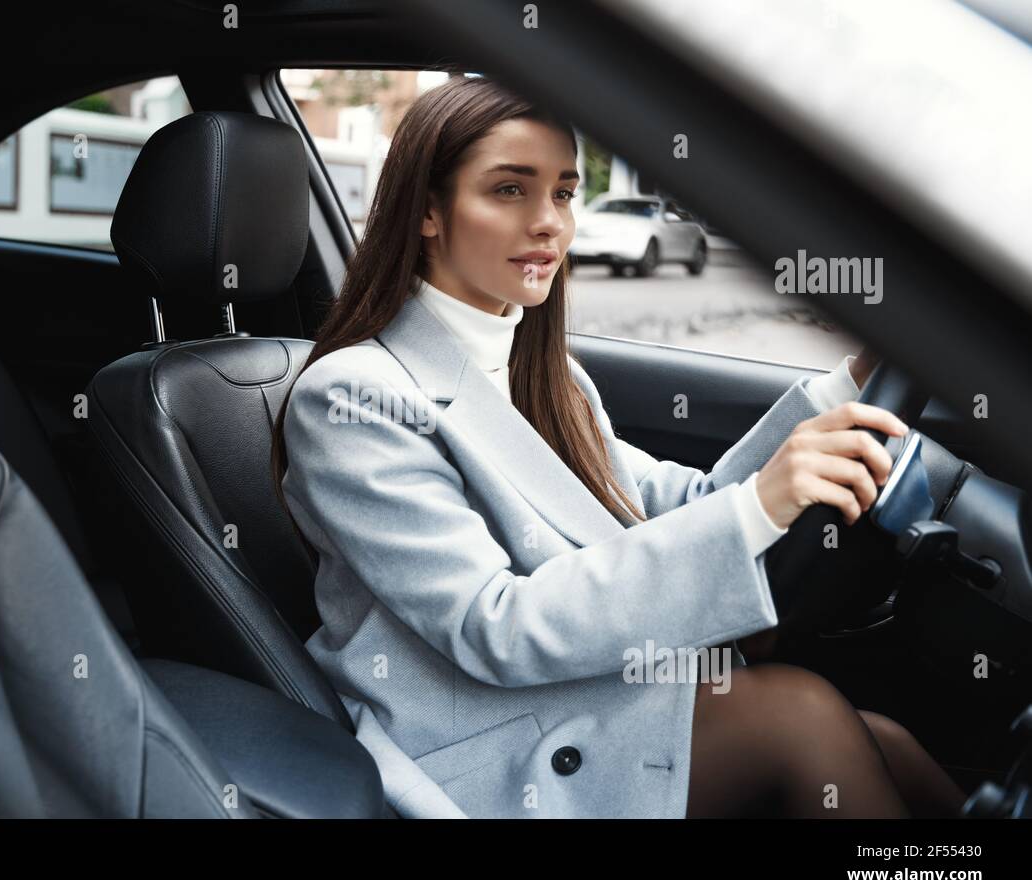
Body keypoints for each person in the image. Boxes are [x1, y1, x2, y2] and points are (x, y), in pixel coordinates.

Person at [270, 74, 965, 818]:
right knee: (802, 713)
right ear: (429, 212)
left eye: (565, 193)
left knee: (881, 737)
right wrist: (762, 504)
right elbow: (495, 624)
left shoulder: (546, 374)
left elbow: (678, 507)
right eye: (510, 191)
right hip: (490, 747)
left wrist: (851, 379)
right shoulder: (351, 397)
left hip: (586, 697)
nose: (550, 224)